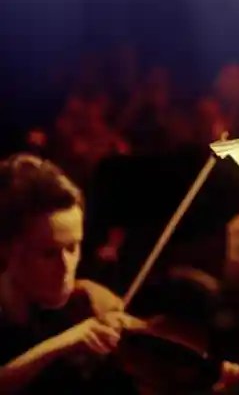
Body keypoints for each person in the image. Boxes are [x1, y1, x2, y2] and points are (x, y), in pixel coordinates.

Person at [0, 153, 144, 394]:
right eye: (48, 253)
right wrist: (64, 343)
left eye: (73, 247)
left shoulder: (82, 302)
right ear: (6, 249)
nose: (66, 267)